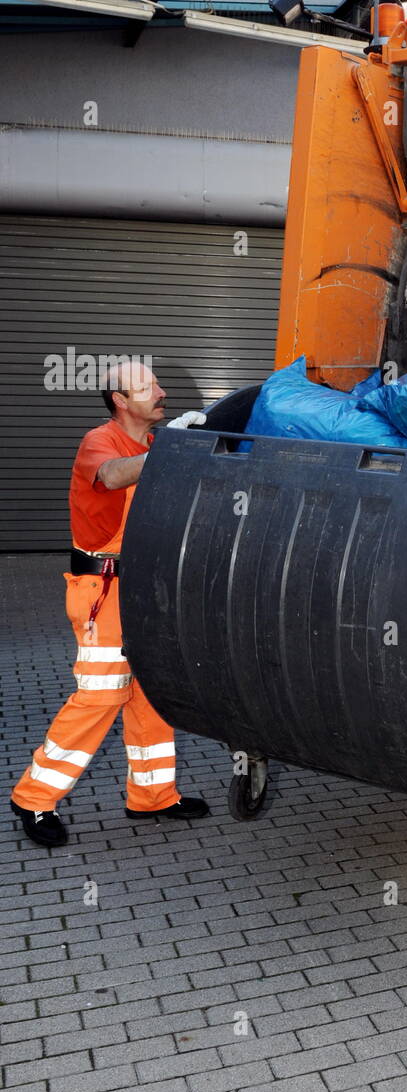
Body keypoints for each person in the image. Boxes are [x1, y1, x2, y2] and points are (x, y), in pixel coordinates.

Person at [10, 361, 210, 848]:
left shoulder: (159, 443)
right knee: (101, 695)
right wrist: (171, 453)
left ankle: (153, 796)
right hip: (104, 591)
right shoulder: (100, 441)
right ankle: (34, 797)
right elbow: (113, 476)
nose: (161, 393)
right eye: (148, 388)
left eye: (160, 385)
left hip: (147, 586)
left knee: (151, 694)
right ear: (120, 400)